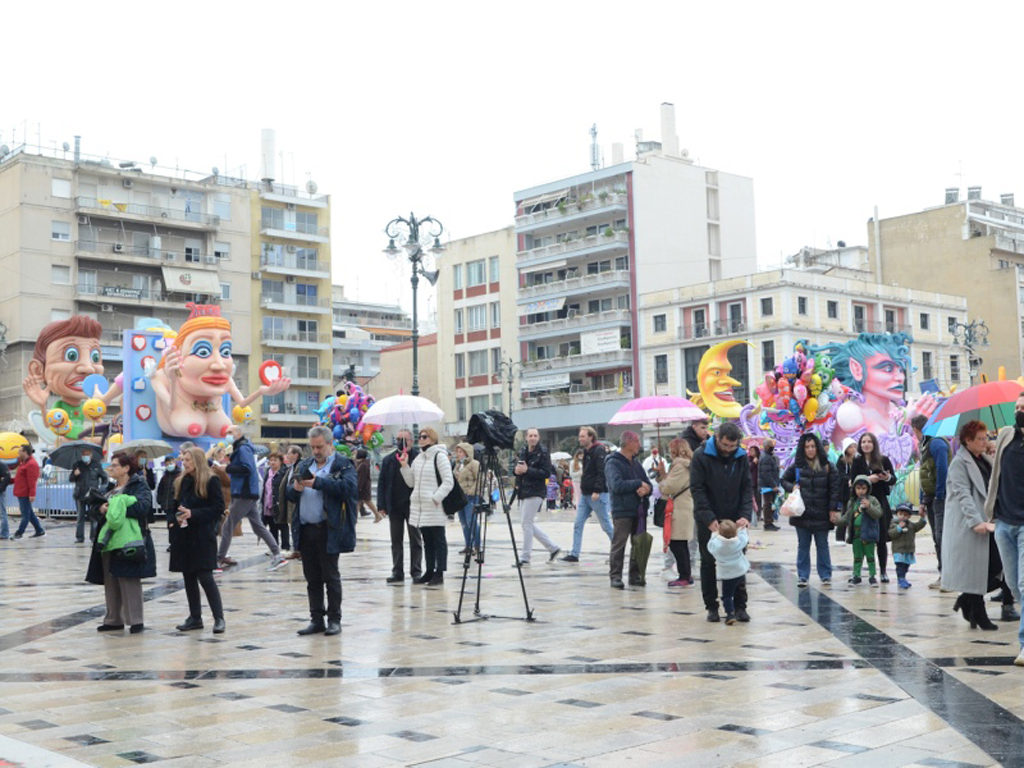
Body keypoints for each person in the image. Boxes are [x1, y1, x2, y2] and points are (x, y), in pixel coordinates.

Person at [150, 303, 290, 438]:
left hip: (211, 415)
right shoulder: (161, 377)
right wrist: (173, 381)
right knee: (192, 426)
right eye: (203, 351)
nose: (219, 364)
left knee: (222, 427)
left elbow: (242, 404)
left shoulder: (224, 381)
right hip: (176, 421)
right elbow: (172, 405)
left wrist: (261, 391)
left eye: (225, 351)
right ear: (180, 353)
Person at [288, 425, 358, 636]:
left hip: (329, 529)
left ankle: (334, 619)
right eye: (313, 447)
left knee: (331, 576)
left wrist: (318, 483)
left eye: (319, 447)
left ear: (330, 444)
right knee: (312, 578)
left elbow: (348, 489)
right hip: (306, 529)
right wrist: (296, 488)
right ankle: (316, 619)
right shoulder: (305, 464)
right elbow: (290, 495)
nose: (316, 451)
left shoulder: (342, 465)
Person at [86, 452, 155, 634]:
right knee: (111, 580)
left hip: (129, 540)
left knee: (129, 579)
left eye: (115, 465)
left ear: (126, 468)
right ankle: (113, 619)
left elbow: (143, 508)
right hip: (108, 540)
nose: (111, 468)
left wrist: (118, 506)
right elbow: (93, 510)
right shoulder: (109, 487)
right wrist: (101, 508)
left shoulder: (138, 485)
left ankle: (136, 620)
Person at [690, 421, 753, 622]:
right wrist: (708, 519)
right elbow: (697, 490)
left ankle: (739, 606)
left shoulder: (741, 457)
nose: (728, 450)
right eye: (725, 445)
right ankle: (712, 607)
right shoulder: (701, 456)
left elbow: (746, 488)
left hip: (735, 518)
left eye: (732, 447)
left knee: (737, 559)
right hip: (708, 518)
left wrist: (745, 514)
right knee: (708, 562)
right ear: (717, 438)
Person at [942, 420, 998, 631]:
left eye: (986, 438)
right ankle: (978, 612)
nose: (985, 442)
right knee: (978, 570)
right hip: (969, 524)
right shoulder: (959, 463)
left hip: (988, 520)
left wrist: (994, 452)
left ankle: (966, 599)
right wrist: (975, 522)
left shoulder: (983, 458)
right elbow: (962, 495)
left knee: (996, 567)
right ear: (968, 441)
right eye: (981, 439)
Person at [168, 447, 225, 633]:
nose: (184, 463)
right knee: (188, 577)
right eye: (183, 459)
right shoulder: (181, 480)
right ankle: (195, 617)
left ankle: (219, 618)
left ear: (198, 461)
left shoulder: (211, 480)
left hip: (202, 535)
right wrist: (174, 518)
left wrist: (194, 514)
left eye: (188, 460)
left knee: (205, 577)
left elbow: (218, 509)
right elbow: (174, 504)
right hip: (184, 535)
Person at [987, 391, 1024, 664]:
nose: (1019, 410)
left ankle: (1023, 643)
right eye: (1017, 406)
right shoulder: (1005, 435)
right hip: (1003, 521)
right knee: (1013, 584)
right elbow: (996, 470)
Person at [218, 426, 286, 571]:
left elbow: (247, 468)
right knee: (258, 527)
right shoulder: (240, 448)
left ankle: (219, 559)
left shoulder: (243, 449)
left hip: (244, 493)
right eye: (226, 433)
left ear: (239, 433)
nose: (227, 435)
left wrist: (227, 468)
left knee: (227, 525)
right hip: (247, 492)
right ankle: (278, 555)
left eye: (230, 433)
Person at [782, 433, 840, 587]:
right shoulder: (797, 466)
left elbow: (835, 489)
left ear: (818, 447)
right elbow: (783, 480)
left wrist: (833, 509)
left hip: (822, 513)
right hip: (802, 513)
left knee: (822, 545)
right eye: (807, 447)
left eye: (813, 446)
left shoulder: (828, 466)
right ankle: (803, 575)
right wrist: (791, 487)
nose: (810, 449)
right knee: (803, 545)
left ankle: (825, 574)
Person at [399, 428, 453, 586]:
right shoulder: (419, 458)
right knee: (427, 541)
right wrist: (404, 466)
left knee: (439, 540)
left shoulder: (440, 456)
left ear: (433, 439)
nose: (420, 439)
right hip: (421, 508)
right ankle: (429, 571)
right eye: (419, 437)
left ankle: (439, 572)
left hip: (434, 507)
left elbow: (448, 481)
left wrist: (436, 498)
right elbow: (411, 482)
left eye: (424, 436)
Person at [605, 430, 651, 589]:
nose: (639, 445)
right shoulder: (613, 462)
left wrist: (647, 489)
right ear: (629, 443)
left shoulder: (636, 463)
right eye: (637, 441)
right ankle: (615, 576)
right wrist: (637, 484)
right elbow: (616, 485)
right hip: (622, 510)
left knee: (638, 544)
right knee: (619, 543)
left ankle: (635, 575)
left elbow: (647, 483)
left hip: (639, 510)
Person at [910, 414, 951, 589]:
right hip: (931, 498)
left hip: (939, 498)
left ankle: (949, 577)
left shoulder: (937, 443)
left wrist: (939, 495)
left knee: (942, 537)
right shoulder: (926, 444)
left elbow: (943, 469)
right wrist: (921, 501)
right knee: (936, 537)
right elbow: (924, 474)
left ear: (915, 429)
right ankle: (943, 574)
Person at [378, 430, 424, 584]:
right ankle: (397, 571)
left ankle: (416, 571)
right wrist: (381, 506)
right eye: (397, 439)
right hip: (395, 506)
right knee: (396, 540)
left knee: (415, 540)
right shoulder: (388, 460)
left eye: (404, 439)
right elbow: (382, 484)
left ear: (411, 441)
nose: (400, 442)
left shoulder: (418, 458)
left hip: (413, 505)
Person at [561, 426, 612, 563]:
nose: (580, 439)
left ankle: (618, 550)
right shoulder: (586, 451)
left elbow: (601, 472)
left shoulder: (599, 451)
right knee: (578, 523)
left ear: (591, 437)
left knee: (605, 525)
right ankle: (575, 553)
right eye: (580, 436)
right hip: (585, 494)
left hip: (597, 494)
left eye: (583, 436)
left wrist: (597, 490)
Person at [512, 428, 562, 566]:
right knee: (527, 523)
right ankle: (553, 548)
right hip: (524, 490)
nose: (533, 438)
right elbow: (519, 468)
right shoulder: (524, 451)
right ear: (526, 438)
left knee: (526, 524)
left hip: (536, 491)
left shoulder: (543, 452)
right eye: (530, 436)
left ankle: (525, 557)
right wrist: (516, 471)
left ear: (538, 437)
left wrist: (528, 470)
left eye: (535, 436)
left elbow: (546, 473)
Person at [852, 432, 897, 583]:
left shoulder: (883, 460)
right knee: (862, 538)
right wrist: (868, 479)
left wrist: (886, 477)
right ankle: (860, 572)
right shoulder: (857, 461)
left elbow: (893, 479)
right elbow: (852, 481)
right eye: (863, 442)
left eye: (869, 442)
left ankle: (883, 571)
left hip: (879, 502)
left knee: (881, 538)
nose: (866, 444)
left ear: (874, 444)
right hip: (862, 504)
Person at [657, 438, 694, 587]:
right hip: (683, 507)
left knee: (677, 543)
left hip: (679, 509)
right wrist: (662, 474)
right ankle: (686, 574)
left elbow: (669, 488)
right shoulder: (685, 465)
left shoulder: (680, 466)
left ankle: (684, 576)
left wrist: (661, 483)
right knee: (681, 544)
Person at [707, 520, 750, 625]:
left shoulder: (717, 545)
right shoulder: (738, 542)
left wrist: (714, 533)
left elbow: (710, 545)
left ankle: (730, 614)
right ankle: (740, 607)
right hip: (739, 572)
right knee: (739, 589)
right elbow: (745, 538)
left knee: (727, 595)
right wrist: (742, 530)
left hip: (727, 574)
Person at [70, 448, 107, 543]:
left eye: (87, 454)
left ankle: (93, 536)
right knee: (80, 517)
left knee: (93, 517)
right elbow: (71, 479)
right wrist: (75, 474)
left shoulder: (96, 465)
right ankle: (79, 537)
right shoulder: (78, 465)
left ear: (91, 455)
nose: (85, 456)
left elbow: (104, 478)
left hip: (92, 495)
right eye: (83, 454)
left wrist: (101, 490)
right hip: (80, 494)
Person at [889, 502, 927, 589]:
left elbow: (919, 526)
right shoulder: (894, 523)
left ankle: (903, 578)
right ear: (897, 514)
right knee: (900, 565)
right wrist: (899, 528)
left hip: (908, 550)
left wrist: (922, 517)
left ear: (909, 516)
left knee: (906, 565)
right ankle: (901, 579)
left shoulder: (911, 525)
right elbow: (891, 534)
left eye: (905, 515)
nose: (902, 516)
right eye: (900, 514)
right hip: (898, 550)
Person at [453, 442, 480, 554]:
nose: (458, 454)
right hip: (460, 497)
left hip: (470, 496)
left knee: (471, 520)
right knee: (463, 522)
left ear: (466, 452)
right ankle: (468, 545)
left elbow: (479, 479)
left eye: (460, 452)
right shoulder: (458, 465)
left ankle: (477, 545)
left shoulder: (474, 464)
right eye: (457, 452)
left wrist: (471, 492)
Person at [12, 445, 43, 539]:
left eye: (20, 451)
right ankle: (39, 530)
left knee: (25, 514)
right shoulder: (23, 463)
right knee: (30, 513)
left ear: (25, 452)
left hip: (25, 493)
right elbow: (20, 478)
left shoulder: (31, 464)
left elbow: (32, 480)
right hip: (21, 492)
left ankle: (19, 533)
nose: (18, 453)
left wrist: (32, 494)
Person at [261, 452, 290, 551]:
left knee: (282, 525)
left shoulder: (284, 473)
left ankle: (285, 547)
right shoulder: (268, 472)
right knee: (272, 527)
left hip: (280, 504)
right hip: (268, 503)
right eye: (271, 460)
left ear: (281, 462)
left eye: (275, 460)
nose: (272, 462)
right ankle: (274, 548)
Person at [278, 446, 303, 559]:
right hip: (289, 500)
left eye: (289, 453)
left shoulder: (300, 466)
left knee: (297, 525)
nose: (287, 456)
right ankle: (296, 548)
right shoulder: (291, 468)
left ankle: (299, 549)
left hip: (297, 501)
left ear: (296, 455)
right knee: (293, 525)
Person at [835, 438, 858, 544]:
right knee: (845, 513)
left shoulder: (857, 459)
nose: (853, 449)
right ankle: (840, 537)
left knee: (855, 513)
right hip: (845, 490)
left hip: (855, 489)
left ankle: (852, 536)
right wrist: (848, 479)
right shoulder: (842, 460)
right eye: (850, 447)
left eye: (854, 447)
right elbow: (839, 474)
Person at [758, 439, 781, 531]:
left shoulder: (767, 456)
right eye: (771, 445)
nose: (773, 446)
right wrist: (773, 485)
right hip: (767, 486)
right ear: (767, 446)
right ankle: (768, 523)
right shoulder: (766, 457)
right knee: (768, 504)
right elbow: (766, 473)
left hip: (768, 485)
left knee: (770, 504)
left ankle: (769, 521)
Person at [355, 449, 381, 521]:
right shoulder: (362, 463)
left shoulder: (363, 465)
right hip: (362, 486)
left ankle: (377, 515)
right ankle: (355, 518)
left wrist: (359, 487)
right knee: (359, 502)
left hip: (363, 487)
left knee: (367, 501)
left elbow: (361, 477)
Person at [747, 444, 762, 525]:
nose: (751, 452)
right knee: (752, 499)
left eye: (753, 451)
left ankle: (758, 514)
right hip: (751, 482)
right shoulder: (748, 459)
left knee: (758, 499)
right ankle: (751, 515)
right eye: (750, 451)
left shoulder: (760, 459)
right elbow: (748, 469)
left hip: (758, 482)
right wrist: (753, 463)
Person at [0, 459, 10, 540]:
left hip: (0, 492)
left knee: (2, 512)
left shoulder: (2, 465)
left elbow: (7, 477)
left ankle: (4, 533)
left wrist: (1, 488)